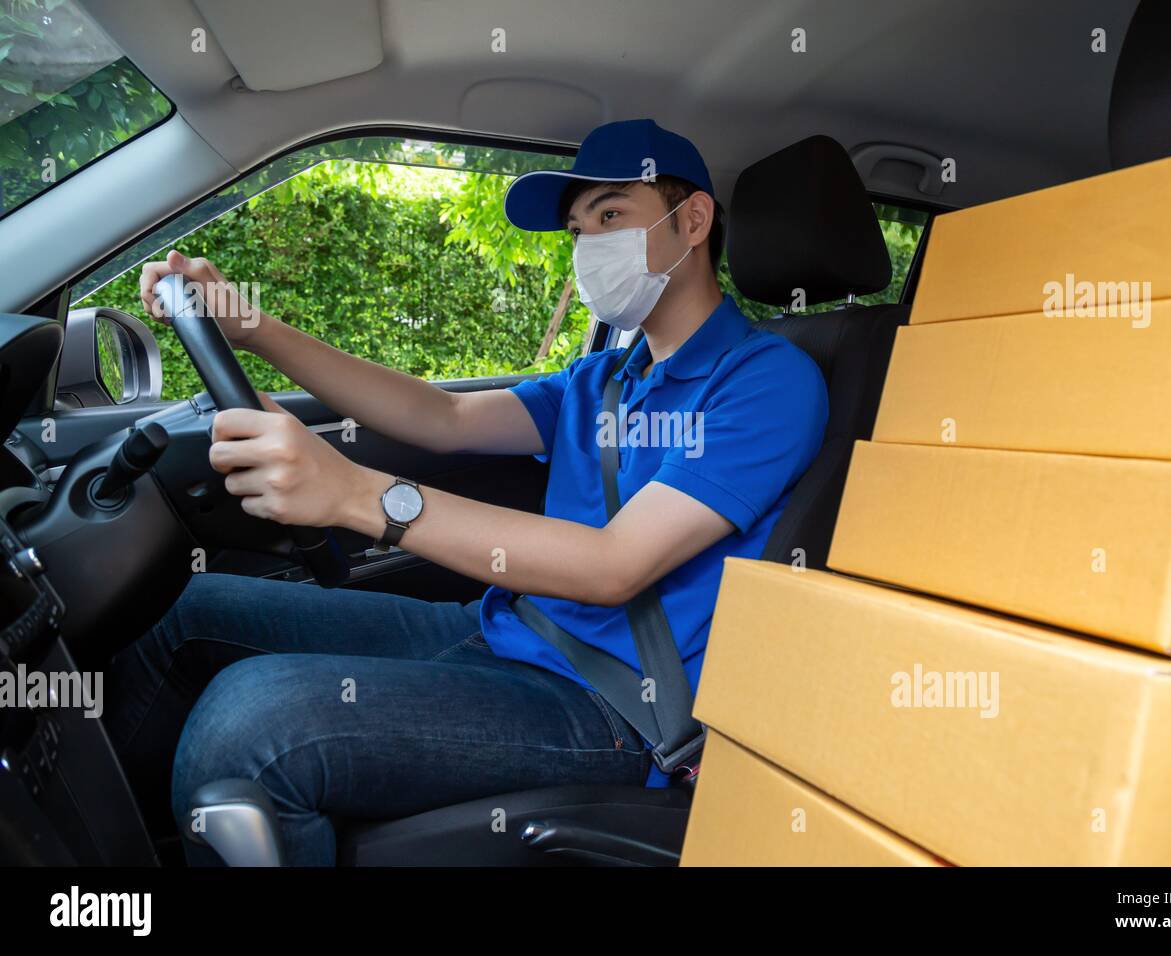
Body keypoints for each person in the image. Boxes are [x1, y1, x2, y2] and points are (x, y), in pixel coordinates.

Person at [104, 119, 829, 865]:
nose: (590, 246)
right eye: (579, 231)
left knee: (247, 725)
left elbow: (615, 564)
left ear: (695, 220)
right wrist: (252, 326)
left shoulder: (767, 380)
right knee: (179, 610)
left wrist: (357, 495)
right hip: (509, 632)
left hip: (610, 705)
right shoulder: (604, 379)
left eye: (611, 215)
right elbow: (441, 417)